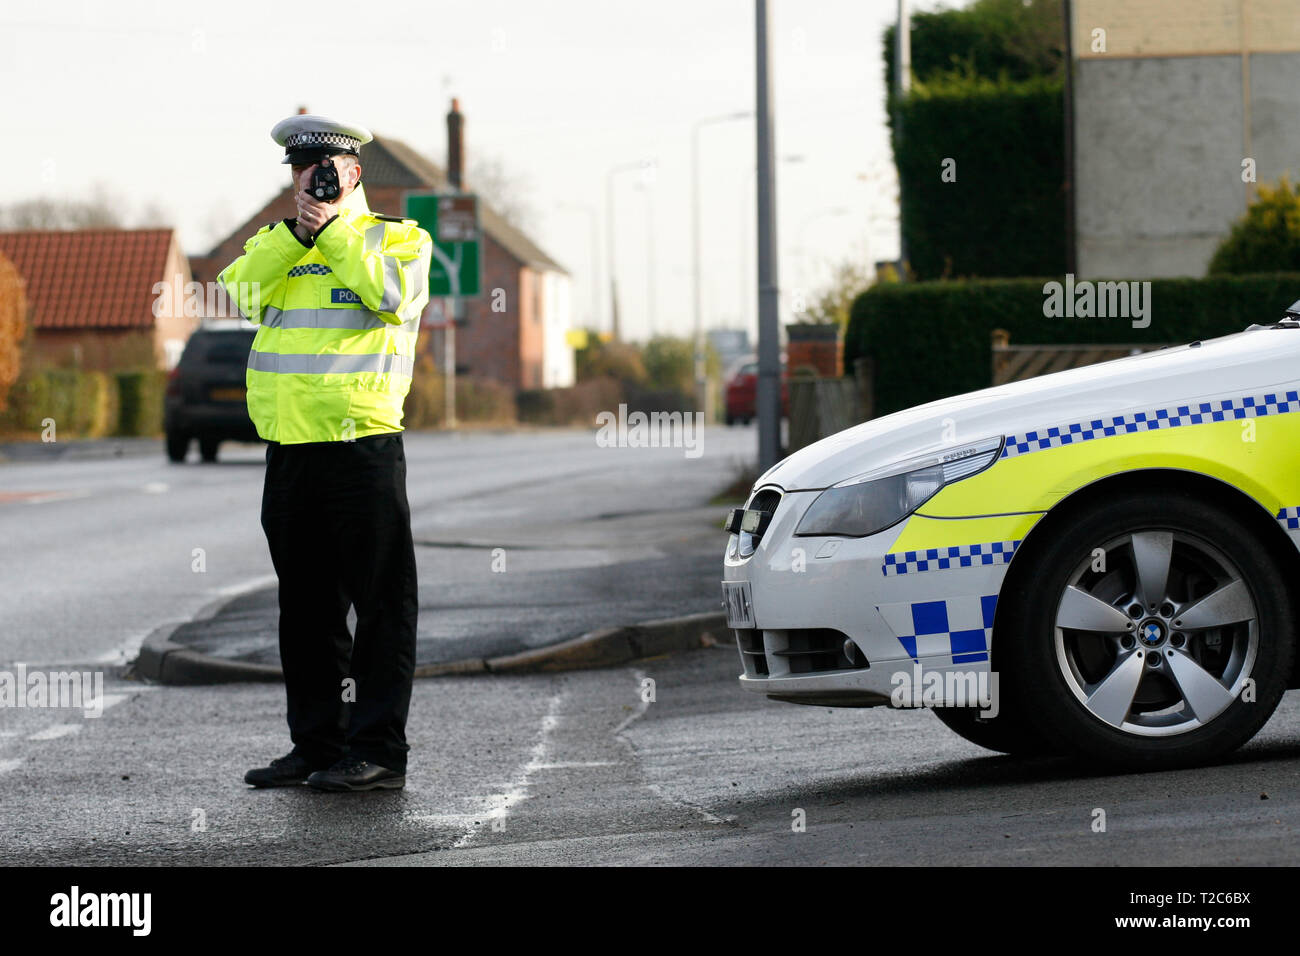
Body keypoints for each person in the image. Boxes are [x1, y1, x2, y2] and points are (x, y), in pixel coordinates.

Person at [216, 114, 432, 791]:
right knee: (305, 611)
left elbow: (391, 297)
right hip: (290, 452)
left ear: (353, 171)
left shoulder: (397, 240)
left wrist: (334, 229)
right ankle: (316, 744)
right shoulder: (276, 247)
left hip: (360, 448)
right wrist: (297, 235)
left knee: (380, 607)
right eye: (301, 171)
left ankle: (378, 752)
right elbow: (236, 292)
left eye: (324, 169)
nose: (312, 180)